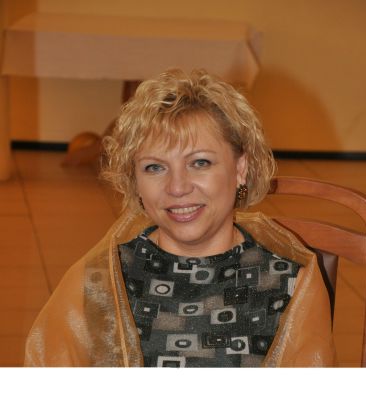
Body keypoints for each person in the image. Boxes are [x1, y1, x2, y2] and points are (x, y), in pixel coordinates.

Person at [24, 69, 335, 367]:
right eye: (155, 167)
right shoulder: (98, 281)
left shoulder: (290, 283)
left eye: (200, 162)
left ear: (241, 169)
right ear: (135, 181)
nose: (177, 187)